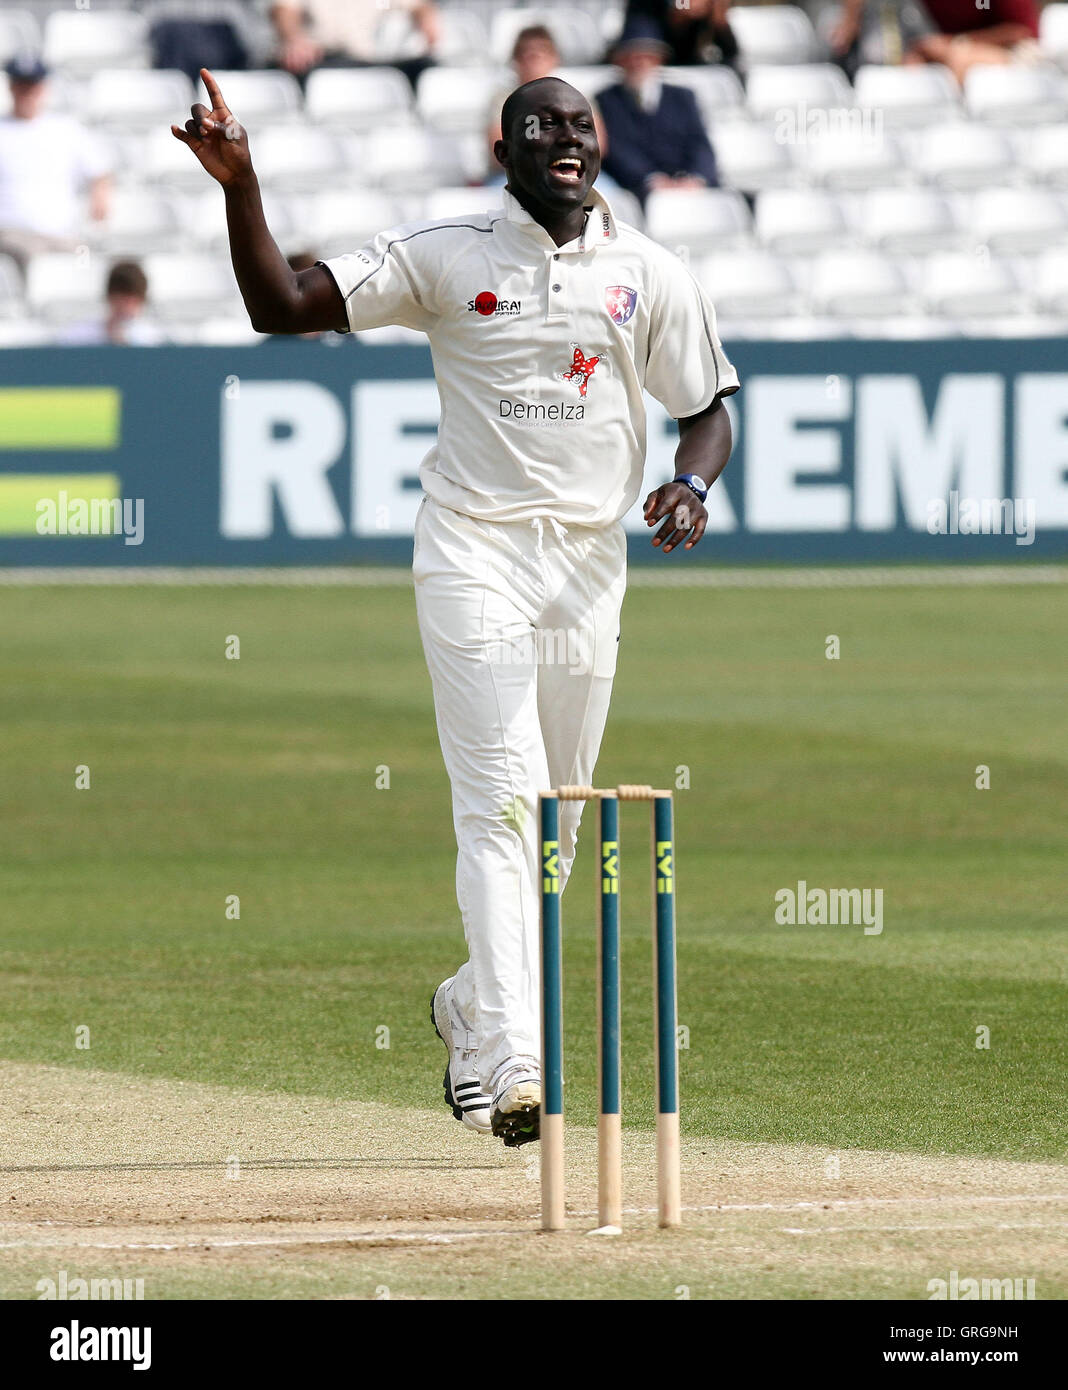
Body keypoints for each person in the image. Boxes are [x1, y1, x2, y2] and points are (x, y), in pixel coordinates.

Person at [172, 68, 737, 1147]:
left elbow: (707, 406)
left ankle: (471, 1004)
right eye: (544, 124)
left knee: (557, 829)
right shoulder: (446, 255)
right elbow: (280, 306)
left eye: (582, 124)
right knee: (500, 807)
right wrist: (241, 186)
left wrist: (692, 483)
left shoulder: (649, 271)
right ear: (502, 149)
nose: (568, 137)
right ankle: (516, 1055)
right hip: (474, 549)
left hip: (588, 565)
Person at [0, 54, 112, 273]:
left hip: (63, 235)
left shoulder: (66, 129)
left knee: (85, 264)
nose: (27, 93)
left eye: (32, 86)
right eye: (21, 85)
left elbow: (99, 172)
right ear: (12, 87)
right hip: (12, 234)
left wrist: (99, 202)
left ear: (43, 88)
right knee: (32, 262)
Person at [485, 25, 621, 196]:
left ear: (555, 58)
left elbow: (598, 144)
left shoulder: (577, 96)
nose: (534, 58)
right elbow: (500, 145)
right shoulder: (503, 99)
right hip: (513, 175)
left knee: (611, 194)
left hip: (571, 168)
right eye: (526, 53)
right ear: (516, 60)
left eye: (542, 51)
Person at [597, 19, 719, 205]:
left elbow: (700, 143)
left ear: (658, 59)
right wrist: (650, 179)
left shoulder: (682, 96)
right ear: (619, 61)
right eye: (631, 56)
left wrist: (697, 178)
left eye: (646, 56)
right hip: (638, 189)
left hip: (690, 184)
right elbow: (614, 149)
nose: (638, 63)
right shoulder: (606, 100)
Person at [830, 0, 1040, 83]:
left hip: (1015, 52)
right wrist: (851, 16)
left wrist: (956, 43)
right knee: (912, 62)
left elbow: (1021, 32)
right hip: (942, 52)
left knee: (960, 58)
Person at [267, 0, 440, 89]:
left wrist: (427, 21)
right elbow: (285, 11)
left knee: (427, 70)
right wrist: (294, 39)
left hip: (372, 62)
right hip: (324, 60)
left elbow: (418, 6)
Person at [58, 260, 167, 345]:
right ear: (109, 298)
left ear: (142, 301)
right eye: (121, 301)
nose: (126, 308)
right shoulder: (77, 337)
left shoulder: (153, 339)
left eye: (132, 302)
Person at [622, 0, 739, 68]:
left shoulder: (707, 7)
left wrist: (720, 23)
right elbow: (641, 51)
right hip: (657, 72)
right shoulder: (645, 8)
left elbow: (731, 55)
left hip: (694, 71)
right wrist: (679, 16)